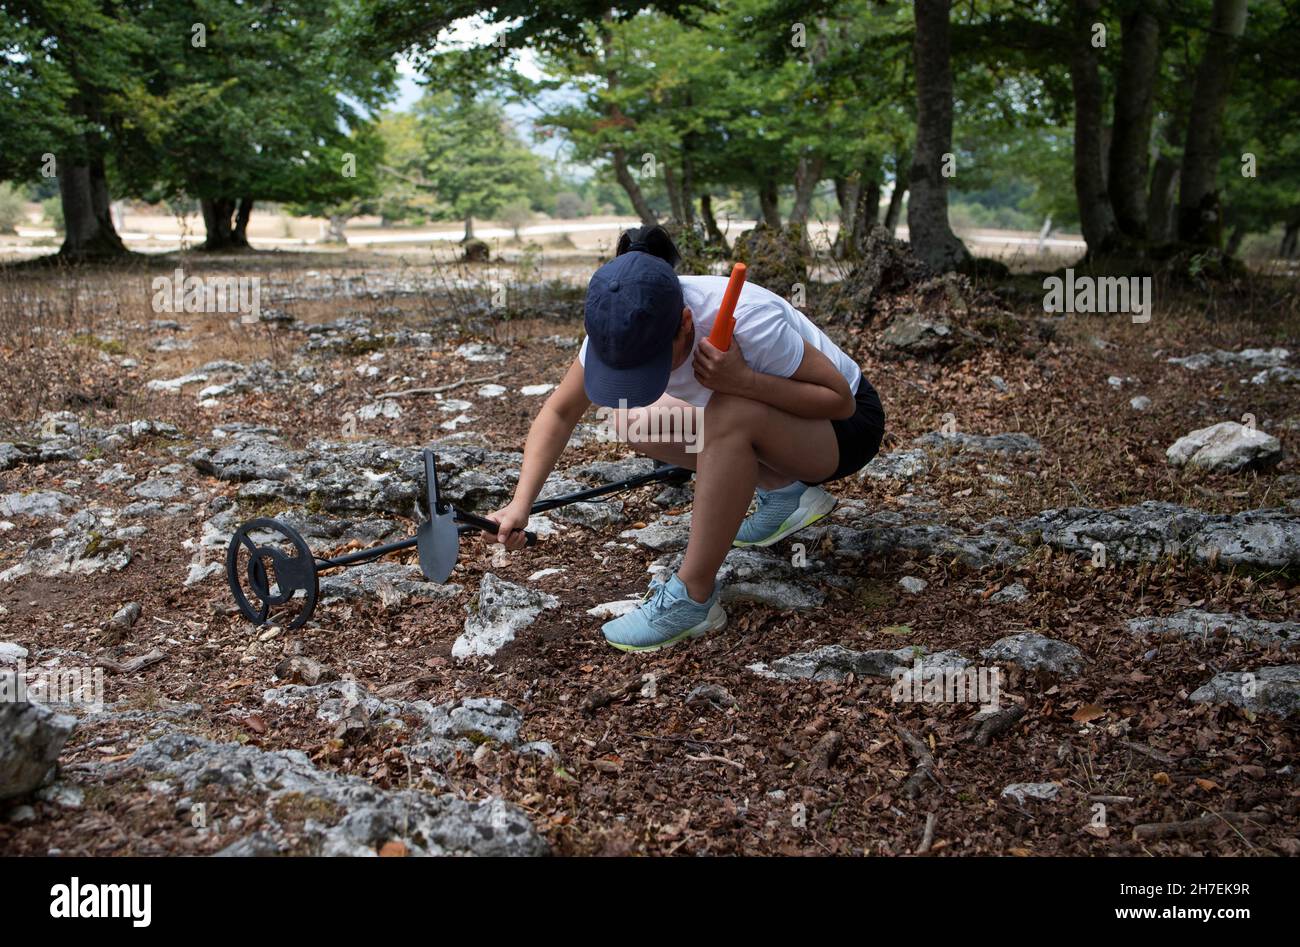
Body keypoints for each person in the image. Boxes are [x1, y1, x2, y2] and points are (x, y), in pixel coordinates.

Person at [484, 225, 885, 652]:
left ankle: (693, 598)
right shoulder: (620, 319)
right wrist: (520, 504)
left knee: (729, 412)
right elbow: (561, 411)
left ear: (686, 324)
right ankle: (786, 493)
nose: (643, 375)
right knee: (631, 417)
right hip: (771, 420)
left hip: (842, 432)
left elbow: (839, 402)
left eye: (652, 364)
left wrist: (744, 380)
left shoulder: (748, 319)